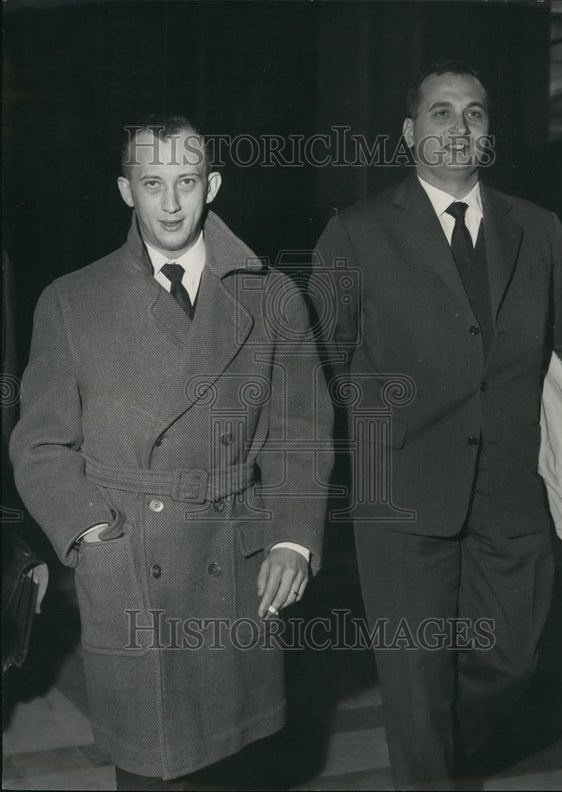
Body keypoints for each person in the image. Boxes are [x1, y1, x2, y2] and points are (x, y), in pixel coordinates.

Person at [10, 114, 333, 790]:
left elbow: (299, 433)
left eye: (186, 181)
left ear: (211, 183)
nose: (171, 203)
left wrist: (293, 541)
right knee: (152, 771)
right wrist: (91, 529)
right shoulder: (72, 301)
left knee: (239, 767)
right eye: (152, 182)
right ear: (125, 189)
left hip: (237, 562)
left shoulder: (272, 297)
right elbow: (41, 444)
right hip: (133, 562)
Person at [312, 61, 562, 790]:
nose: (458, 127)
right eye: (441, 112)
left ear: (488, 133)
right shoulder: (356, 232)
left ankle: (442, 745)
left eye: (473, 113)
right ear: (410, 132)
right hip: (401, 495)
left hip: (516, 490)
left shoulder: (540, 229)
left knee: (512, 657)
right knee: (414, 682)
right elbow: (323, 361)